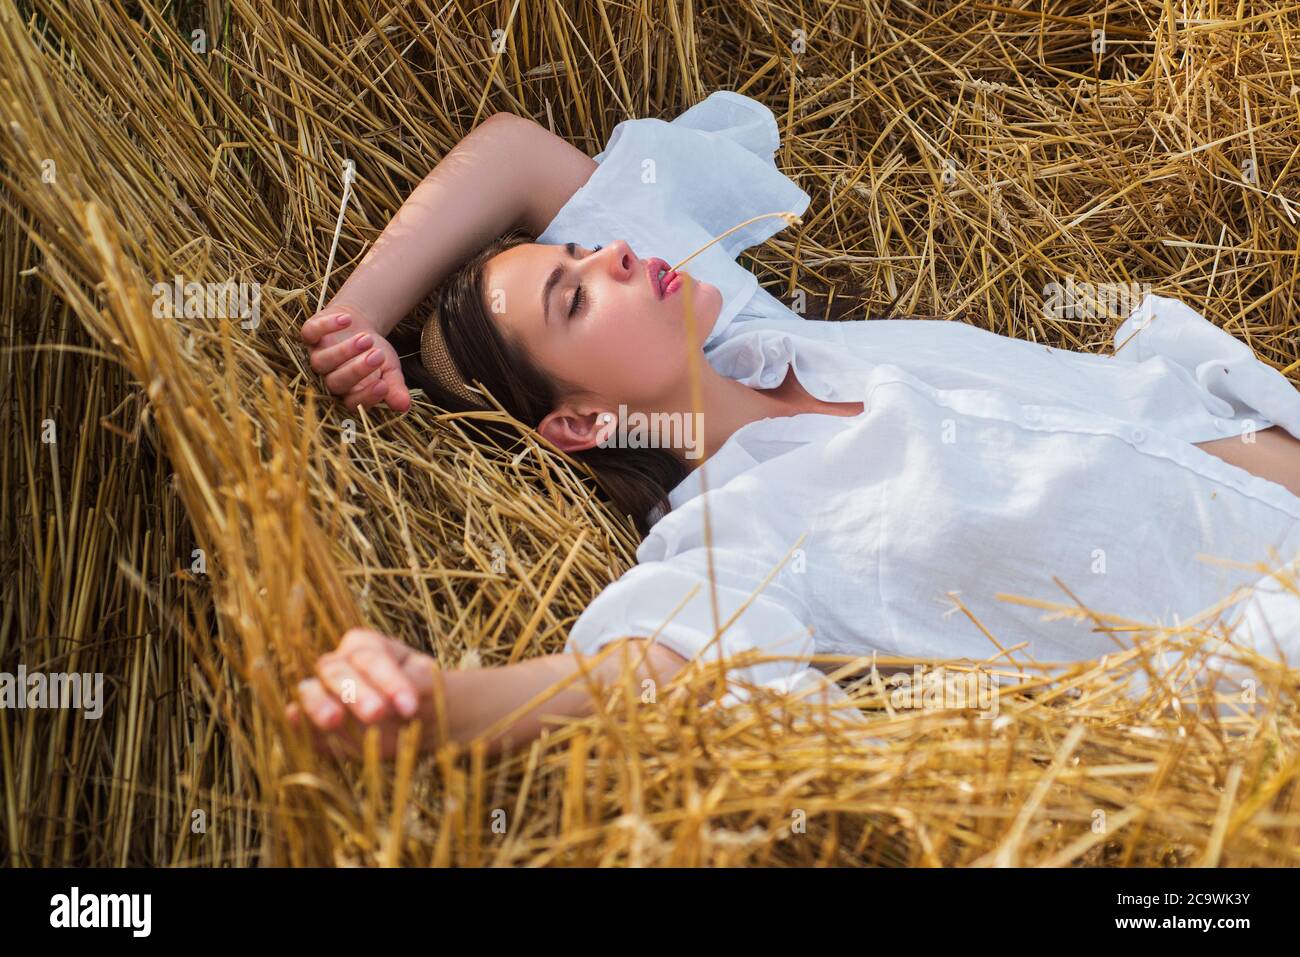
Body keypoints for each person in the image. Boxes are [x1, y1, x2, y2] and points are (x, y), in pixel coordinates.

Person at [290, 91, 1300, 759]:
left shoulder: (752, 336)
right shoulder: (741, 539)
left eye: (587, 252)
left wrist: (355, 321)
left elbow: (511, 155)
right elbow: (628, 673)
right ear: (581, 420)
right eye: (572, 300)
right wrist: (433, 711)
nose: (608, 259)